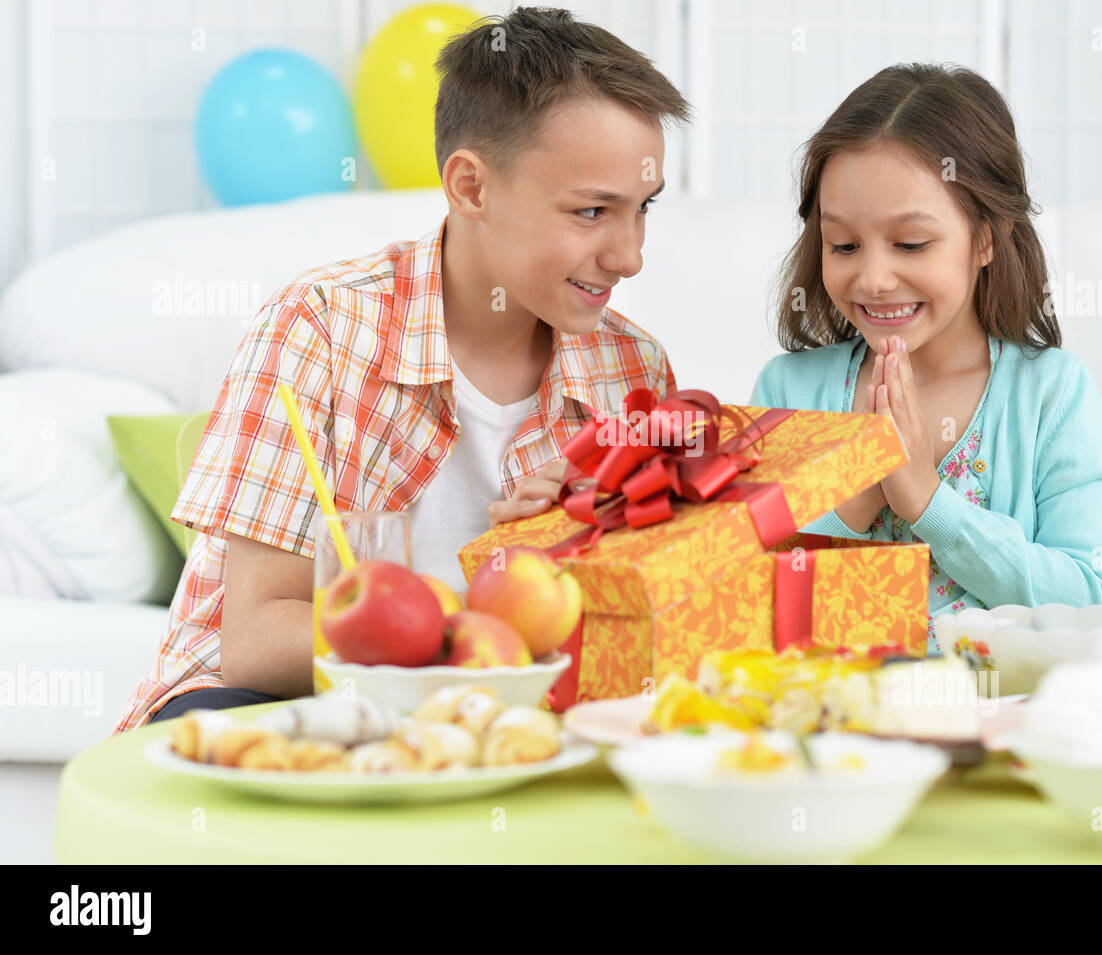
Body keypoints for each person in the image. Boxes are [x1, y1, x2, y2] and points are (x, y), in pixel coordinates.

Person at [115, 7, 690, 731]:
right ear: (472, 187)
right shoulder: (320, 328)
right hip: (284, 701)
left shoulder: (631, 370)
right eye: (593, 211)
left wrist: (571, 555)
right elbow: (256, 643)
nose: (629, 254)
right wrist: (477, 611)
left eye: (643, 210)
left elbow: (644, 630)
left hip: (500, 714)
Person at [750, 63, 1102, 654]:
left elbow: (1093, 604)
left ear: (985, 238)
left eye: (911, 244)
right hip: (834, 730)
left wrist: (929, 502)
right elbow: (742, 597)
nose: (873, 279)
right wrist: (858, 496)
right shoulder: (788, 391)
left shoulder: (1052, 392)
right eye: (843, 245)